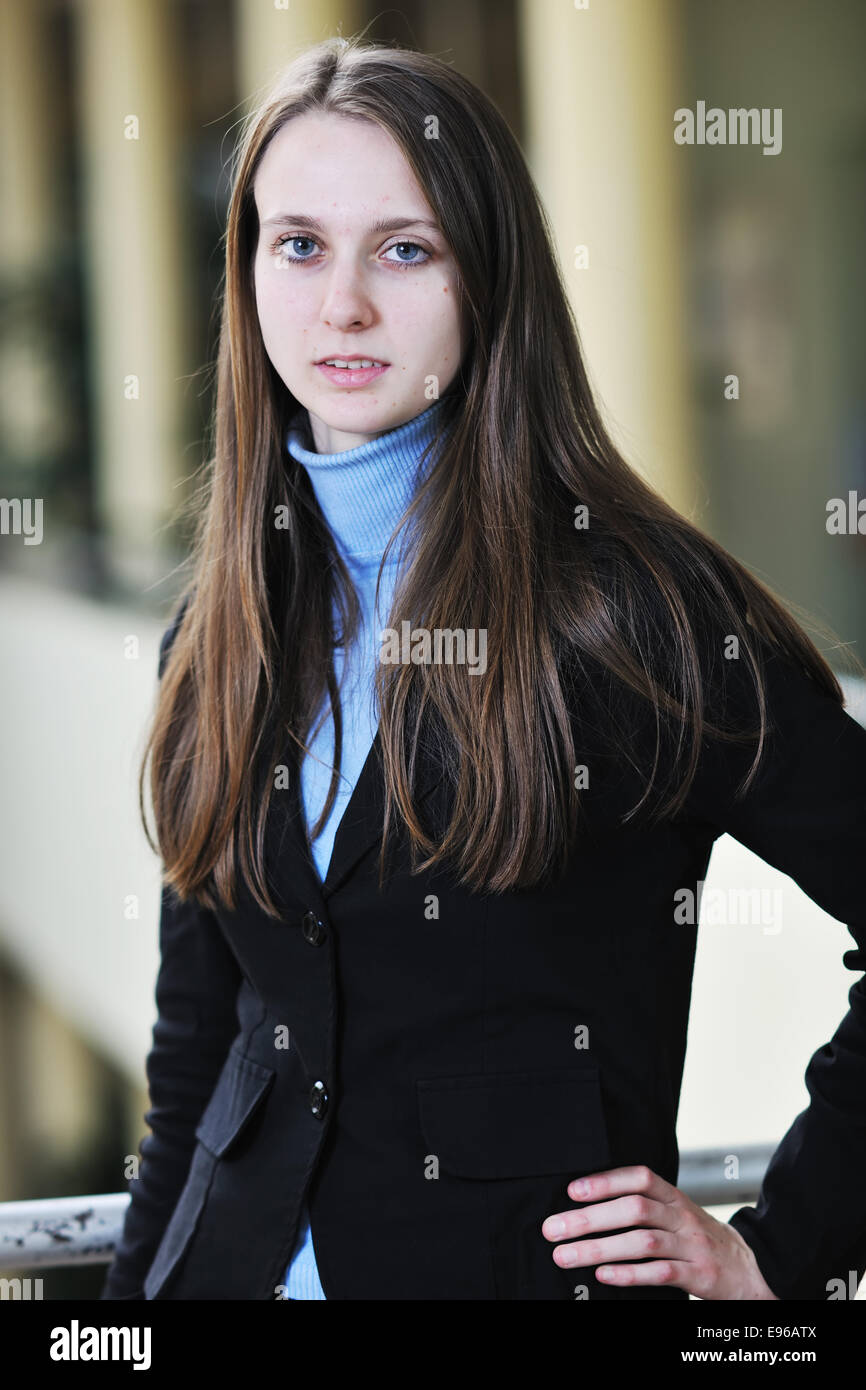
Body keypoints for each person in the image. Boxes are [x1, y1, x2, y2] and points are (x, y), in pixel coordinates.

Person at [101, 36, 866, 1302]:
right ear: (246, 275)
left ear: (485, 277)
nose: (341, 303)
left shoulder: (636, 613)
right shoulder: (221, 623)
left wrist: (776, 1251)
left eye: (403, 249)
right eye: (297, 244)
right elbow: (196, 1066)